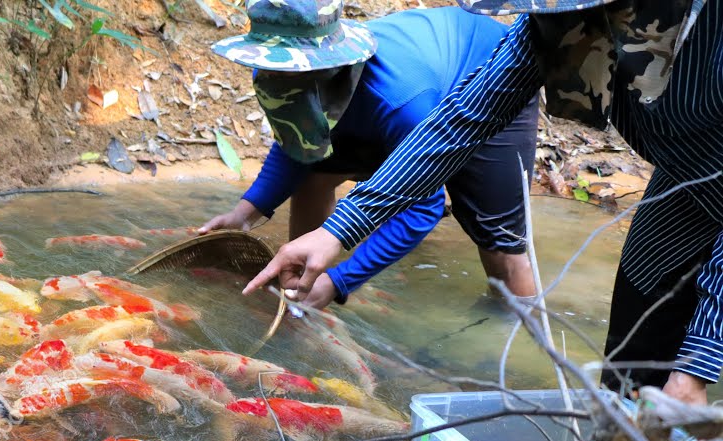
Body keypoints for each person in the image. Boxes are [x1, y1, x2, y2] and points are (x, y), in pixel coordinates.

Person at [243, 0, 719, 405]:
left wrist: (698, 365)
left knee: (691, 380)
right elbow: (461, 120)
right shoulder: (559, 23)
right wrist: (338, 230)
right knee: (635, 371)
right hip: (684, 173)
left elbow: (425, 203)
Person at [201, 1, 540, 309]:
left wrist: (341, 280)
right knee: (313, 179)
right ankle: (301, 288)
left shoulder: (400, 101)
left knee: (502, 252)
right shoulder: (272, 71)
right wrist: (245, 213)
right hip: (397, 99)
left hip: (491, 79)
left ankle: (523, 349)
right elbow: (297, 141)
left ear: (330, 65)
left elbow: (423, 204)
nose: (276, 75)